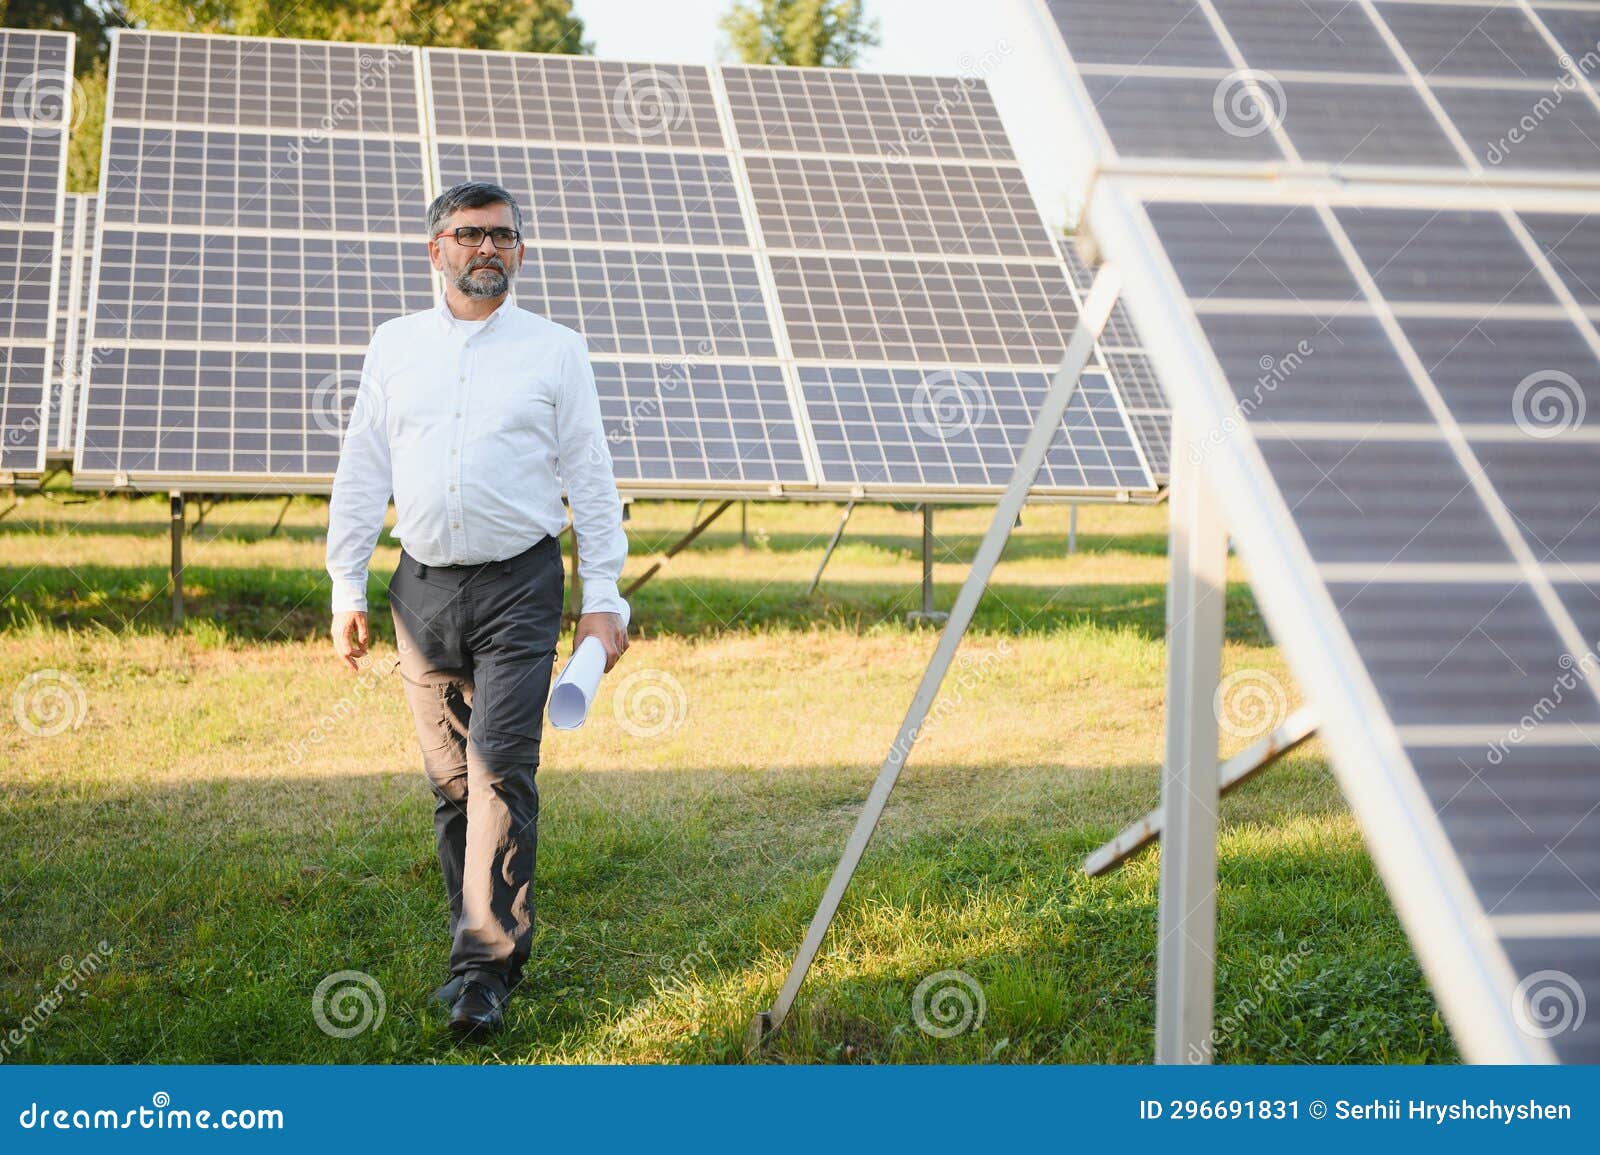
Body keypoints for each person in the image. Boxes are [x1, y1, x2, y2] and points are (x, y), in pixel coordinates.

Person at [324, 181, 629, 1039]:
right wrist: (346, 583)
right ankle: (475, 939)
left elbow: (592, 475)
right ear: (437, 250)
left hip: (520, 584)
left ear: (520, 252)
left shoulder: (556, 351)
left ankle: (484, 971)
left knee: (499, 765)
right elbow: (363, 465)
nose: (487, 247)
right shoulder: (395, 345)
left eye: (502, 236)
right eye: (469, 234)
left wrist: (603, 597)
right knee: (453, 781)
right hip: (421, 588)